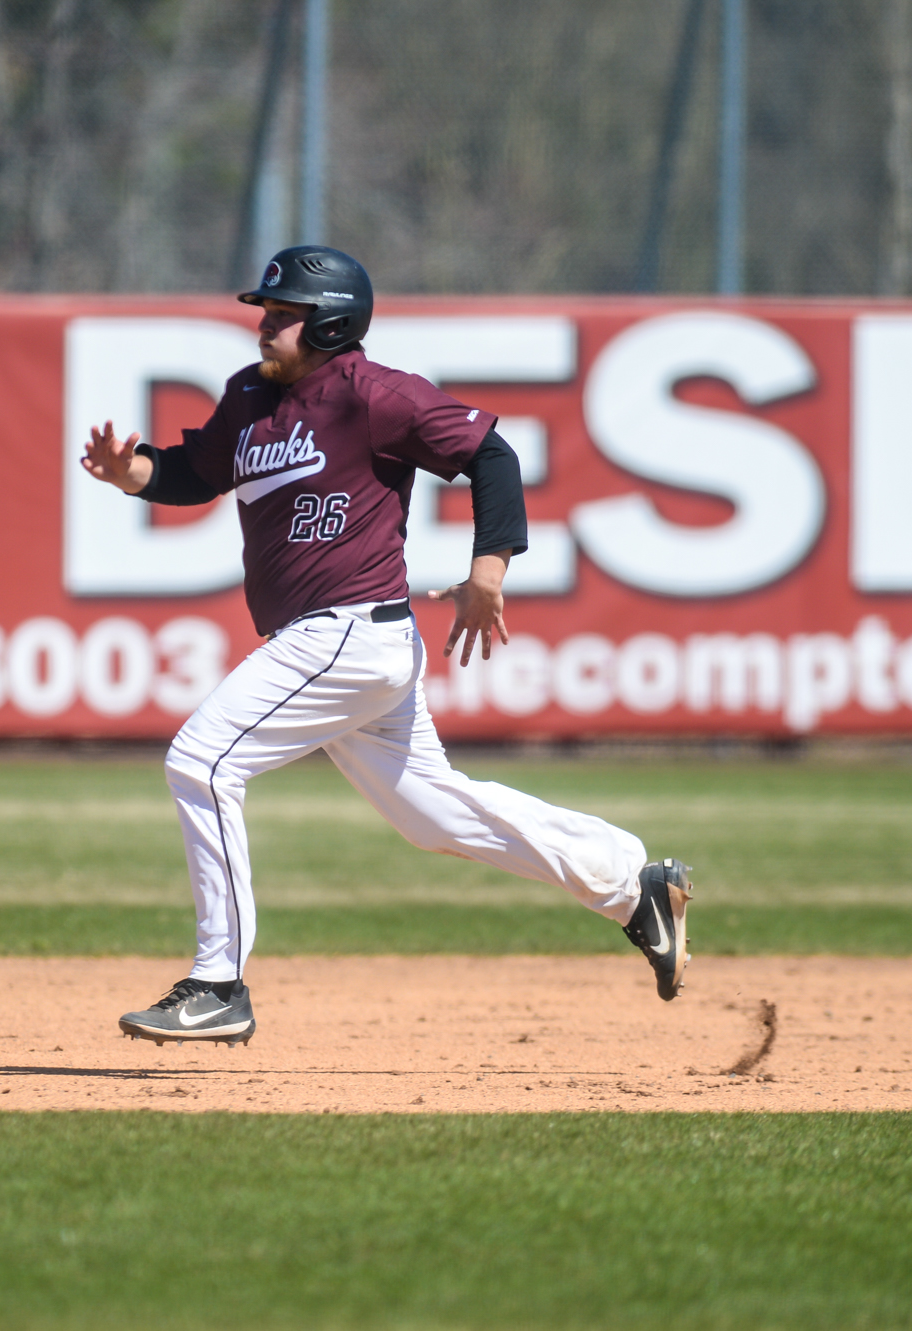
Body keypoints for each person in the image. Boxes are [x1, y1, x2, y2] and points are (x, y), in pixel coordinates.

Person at [78, 245, 692, 1047]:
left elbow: (491, 455)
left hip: (346, 633)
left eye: (283, 312)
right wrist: (134, 472)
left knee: (202, 761)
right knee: (433, 817)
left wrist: (488, 572)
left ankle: (218, 981)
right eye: (266, 309)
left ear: (331, 321)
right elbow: (195, 469)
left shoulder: (373, 395)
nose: (264, 324)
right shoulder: (251, 398)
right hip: (339, 646)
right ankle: (628, 883)